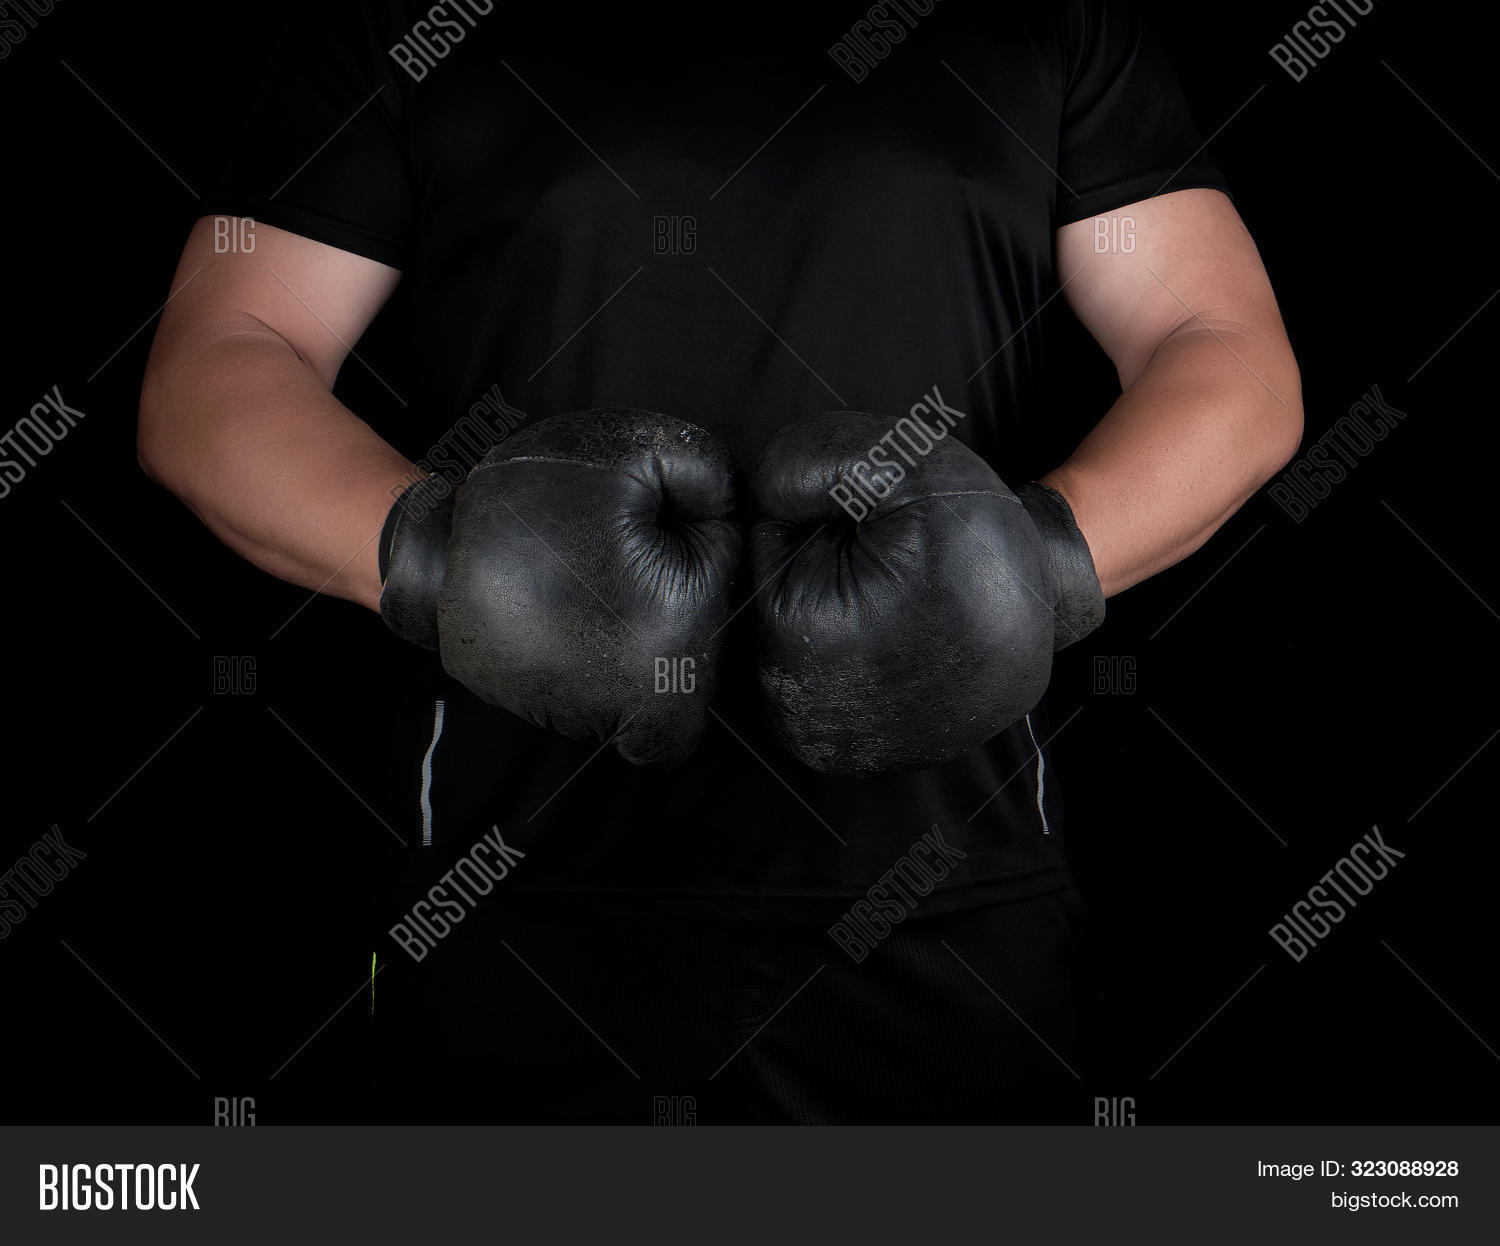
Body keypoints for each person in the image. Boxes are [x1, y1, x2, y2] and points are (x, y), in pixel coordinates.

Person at [137, 0, 1301, 1123]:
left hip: (953, 893)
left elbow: (1216, 339)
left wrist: (1041, 564)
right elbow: (222, 356)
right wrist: (437, 557)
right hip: (508, 898)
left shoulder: (1046, 13)